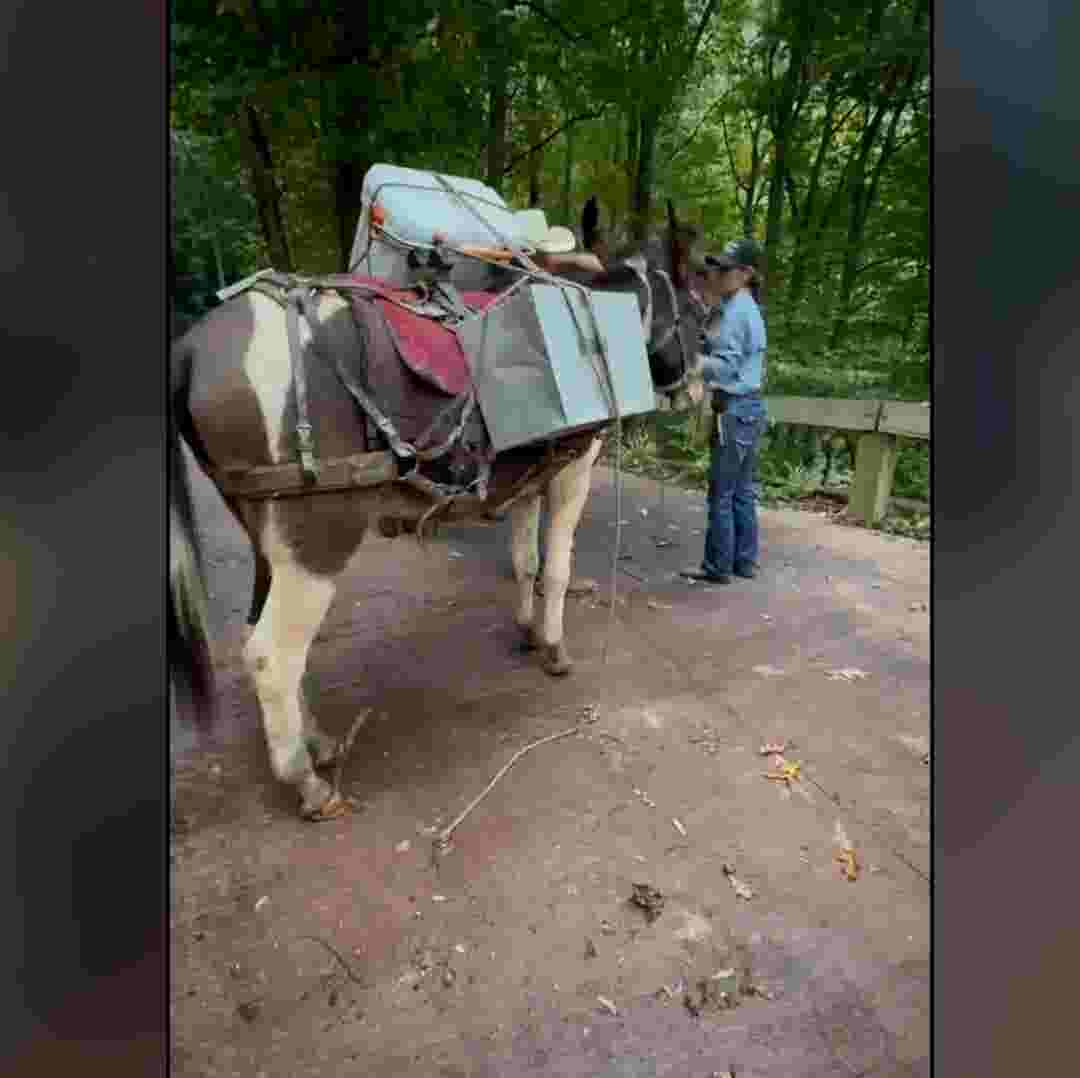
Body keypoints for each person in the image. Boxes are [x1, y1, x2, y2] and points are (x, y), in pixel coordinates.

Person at [680, 238, 768, 584]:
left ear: (745, 274)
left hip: (733, 409)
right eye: (718, 267)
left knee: (721, 493)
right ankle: (743, 562)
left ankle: (717, 568)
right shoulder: (747, 308)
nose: (718, 274)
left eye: (726, 269)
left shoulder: (736, 312)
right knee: (742, 490)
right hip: (750, 409)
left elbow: (727, 368)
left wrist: (694, 361)